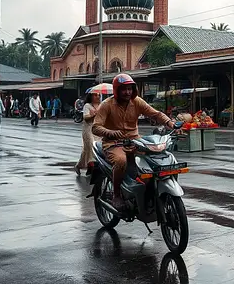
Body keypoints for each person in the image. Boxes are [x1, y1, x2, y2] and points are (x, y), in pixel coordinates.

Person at [91, 74, 175, 208]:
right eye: (124, 89)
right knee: (121, 161)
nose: (127, 92)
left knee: (156, 159)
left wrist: (170, 123)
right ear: (117, 90)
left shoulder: (137, 102)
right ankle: (116, 195)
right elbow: (95, 127)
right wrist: (110, 133)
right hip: (114, 144)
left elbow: (156, 114)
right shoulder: (106, 105)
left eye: (130, 89)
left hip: (136, 141)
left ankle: (148, 191)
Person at [75, 92, 101, 176]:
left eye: (98, 95)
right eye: (95, 95)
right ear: (91, 96)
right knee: (91, 147)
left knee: (91, 150)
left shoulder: (101, 106)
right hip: (88, 130)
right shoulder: (87, 106)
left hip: (97, 130)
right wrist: (93, 115)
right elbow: (85, 117)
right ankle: (91, 167)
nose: (97, 96)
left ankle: (79, 165)